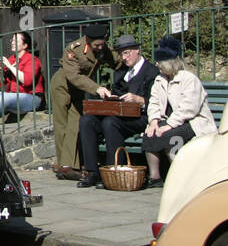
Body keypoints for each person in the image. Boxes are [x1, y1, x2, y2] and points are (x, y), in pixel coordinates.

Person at [78, 34, 157, 188]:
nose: (124, 57)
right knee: (87, 120)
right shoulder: (122, 72)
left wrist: (140, 100)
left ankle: (113, 171)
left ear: (137, 51)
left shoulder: (151, 72)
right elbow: (117, 93)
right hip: (120, 114)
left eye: (127, 53)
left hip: (141, 117)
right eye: (121, 54)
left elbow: (158, 102)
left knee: (110, 123)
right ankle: (92, 172)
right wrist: (111, 97)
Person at [143, 35, 217, 187]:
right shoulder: (160, 79)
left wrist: (169, 125)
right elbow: (154, 103)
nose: (156, 64)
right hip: (171, 120)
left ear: (170, 62)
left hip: (193, 122)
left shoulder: (189, 79)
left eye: (160, 61)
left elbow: (188, 108)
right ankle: (155, 177)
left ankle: (180, 176)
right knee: (149, 134)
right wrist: (154, 121)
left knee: (171, 137)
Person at [48, 22, 118, 179]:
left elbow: (116, 60)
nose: (100, 48)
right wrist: (97, 88)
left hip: (80, 88)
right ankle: (64, 165)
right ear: (88, 40)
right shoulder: (73, 49)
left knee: (76, 123)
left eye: (102, 44)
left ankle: (70, 165)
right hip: (63, 85)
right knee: (62, 124)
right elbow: (73, 76)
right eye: (97, 45)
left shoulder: (102, 47)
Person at [0, 30, 45, 117]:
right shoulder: (12, 59)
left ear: (25, 45)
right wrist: (0, 70)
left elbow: (27, 81)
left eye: (16, 41)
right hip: (13, 95)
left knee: (5, 98)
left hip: (32, 97)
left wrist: (9, 66)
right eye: (12, 40)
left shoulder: (32, 60)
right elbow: (2, 82)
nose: (12, 43)